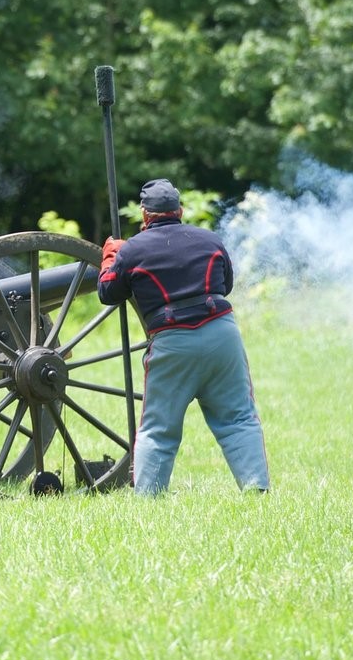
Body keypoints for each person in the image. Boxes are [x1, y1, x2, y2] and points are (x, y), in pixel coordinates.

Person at [97, 178, 270, 493]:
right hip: (222, 334)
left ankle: (149, 499)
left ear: (145, 214)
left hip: (173, 340)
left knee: (158, 430)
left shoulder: (132, 250)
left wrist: (111, 257)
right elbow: (225, 285)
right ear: (180, 210)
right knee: (239, 419)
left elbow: (108, 292)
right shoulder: (211, 240)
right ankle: (256, 488)